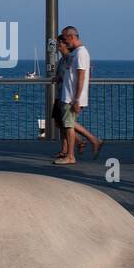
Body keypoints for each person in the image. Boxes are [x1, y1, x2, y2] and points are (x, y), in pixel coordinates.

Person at [53, 26, 101, 166]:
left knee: (68, 126)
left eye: (64, 38)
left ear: (71, 37)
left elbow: (81, 76)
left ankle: (71, 156)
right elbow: (73, 76)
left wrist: (77, 99)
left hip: (71, 97)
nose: (64, 42)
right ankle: (87, 144)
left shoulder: (81, 53)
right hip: (67, 96)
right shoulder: (76, 53)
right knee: (67, 125)